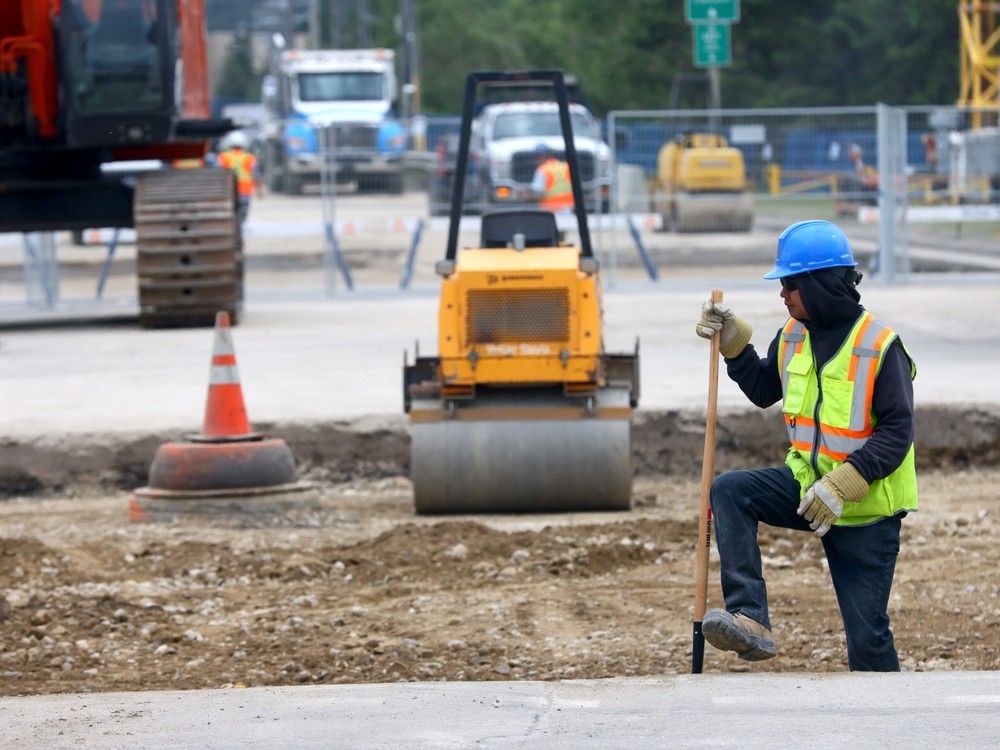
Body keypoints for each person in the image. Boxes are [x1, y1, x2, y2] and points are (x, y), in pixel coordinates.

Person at [694, 219, 917, 672]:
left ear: (820, 285)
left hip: (866, 510)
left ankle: (893, 726)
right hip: (807, 487)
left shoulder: (880, 345)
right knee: (731, 490)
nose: (783, 295)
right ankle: (750, 617)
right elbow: (762, 388)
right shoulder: (794, 334)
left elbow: (898, 430)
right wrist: (735, 347)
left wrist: (844, 483)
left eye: (790, 285)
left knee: (868, 640)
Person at [217, 131, 259, 225]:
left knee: (230, 209)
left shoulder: (223, 157)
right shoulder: (249, 157)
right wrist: (259, 190)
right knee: (243, 210)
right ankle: (240, 225)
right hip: (245, 189)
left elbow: (218, 173)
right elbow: (255, 174)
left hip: (228, 189)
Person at [530, 144, 574, 212]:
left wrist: (526, 195)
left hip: (549, 210)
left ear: (541, 157)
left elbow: (537, 192)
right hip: (568, 208)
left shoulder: (542, 170)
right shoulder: (566, 166)